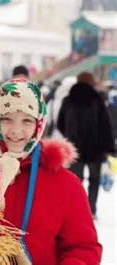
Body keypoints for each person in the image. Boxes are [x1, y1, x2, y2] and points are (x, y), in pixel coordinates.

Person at [0, 79, 102, 264]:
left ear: (39, 123)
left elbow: (82, 247)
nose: (16, 131)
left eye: (27, 121)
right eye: (6, 119)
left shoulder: (64, 183)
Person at [58, 71, 114, 218]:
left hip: (74, 148)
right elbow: (105, 125)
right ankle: (91, 209)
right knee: (94, 180)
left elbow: (60, 123)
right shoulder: (98, 99)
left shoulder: (68, 99)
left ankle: (76, 210)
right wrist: (109, 147)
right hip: (95, 148)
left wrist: (69, 136)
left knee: (76, 181)